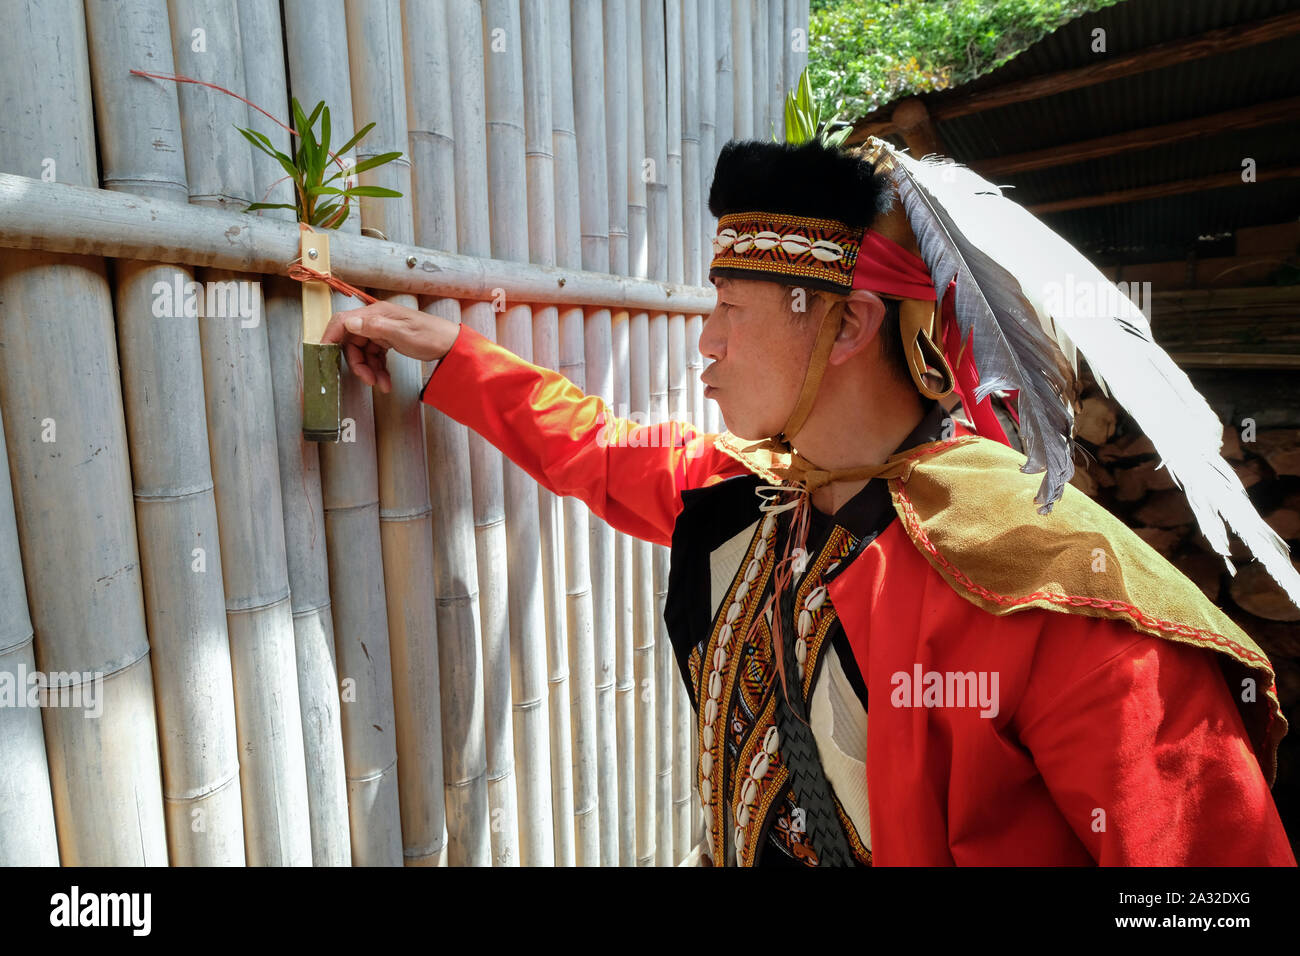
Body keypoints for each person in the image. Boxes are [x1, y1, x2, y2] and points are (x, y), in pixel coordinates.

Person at [320, 136, 1296, 867]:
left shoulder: (1062, 600)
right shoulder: (753, 499)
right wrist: (447, 352)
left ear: (845, 326)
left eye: (728, 312)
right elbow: (602, 450)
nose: (705, 344)